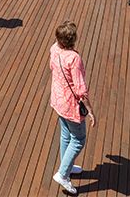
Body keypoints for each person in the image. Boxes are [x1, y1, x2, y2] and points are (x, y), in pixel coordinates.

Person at [49, 20, 96, 195]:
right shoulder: (74, 59)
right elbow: (81, 89)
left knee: (65, 134)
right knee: (78, 139)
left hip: (58, 99)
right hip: (70, 105)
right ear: (73, 40)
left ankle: (66, 166)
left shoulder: (54, 48)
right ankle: (63, 174)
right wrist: (90, 111)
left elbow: (52, 67)